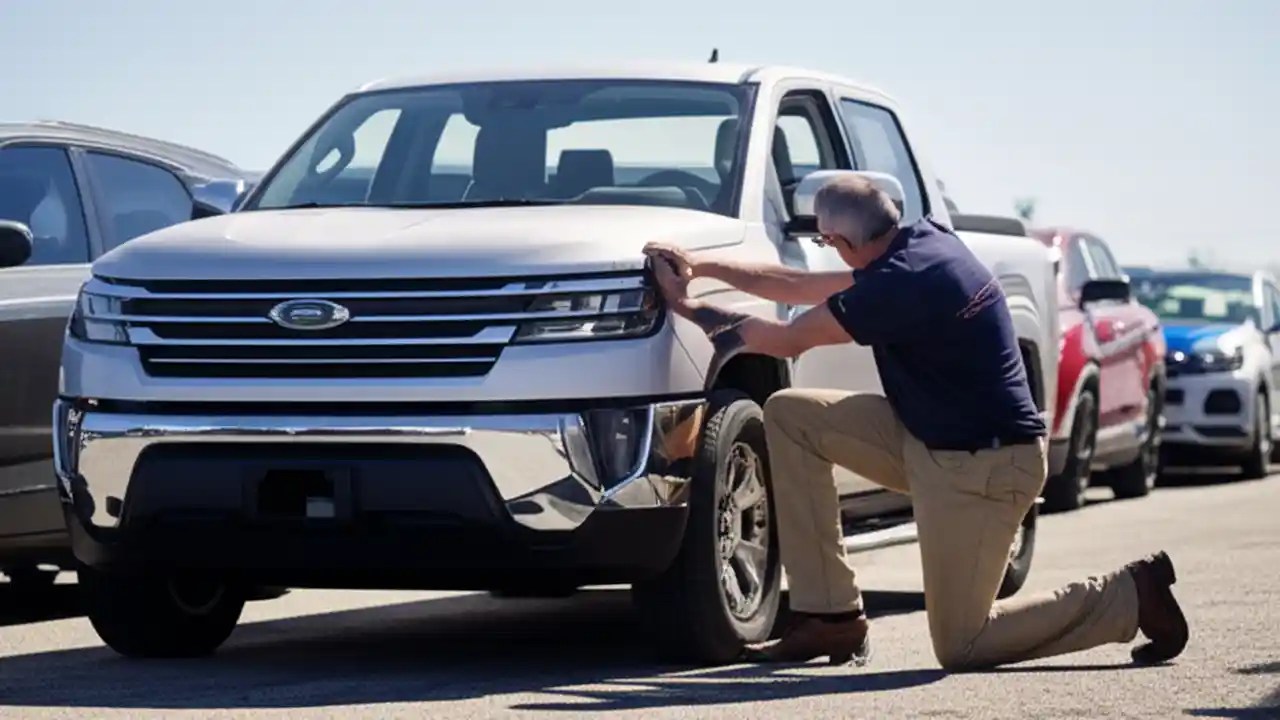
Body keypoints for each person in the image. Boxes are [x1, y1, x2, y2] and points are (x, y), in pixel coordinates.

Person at [642, 175, 1189, 671]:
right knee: (791, 417)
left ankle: (1130, 597)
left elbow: (781, 338)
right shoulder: (919, 245)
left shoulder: (902, 285)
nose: (823, 250)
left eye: (824, 241)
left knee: (963, 643)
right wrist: (703, 266)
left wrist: (683, 306)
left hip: (987, 471)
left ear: (843, 242)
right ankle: (829, 616)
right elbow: (798, 285)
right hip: (931, 442)